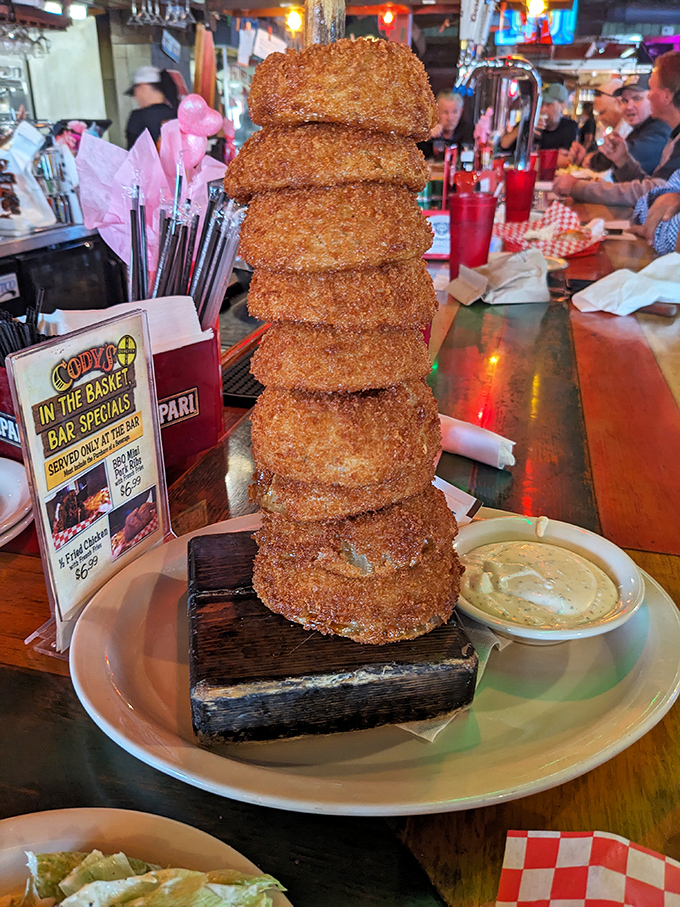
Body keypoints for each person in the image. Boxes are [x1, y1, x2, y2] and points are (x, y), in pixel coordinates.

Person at [553, 51, 680, 206]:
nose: (649, 96)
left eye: (651, 90)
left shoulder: (662, 133)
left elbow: (655, 193)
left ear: (666, 96)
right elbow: (655, 187)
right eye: (625, 100)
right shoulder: (673, 137)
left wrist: (578, 187)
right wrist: (623, 161)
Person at [499, 83, 577, 157]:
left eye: (548, 104)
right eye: (541, 104)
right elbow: (503, 146)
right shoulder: (529, 123)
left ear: (563, 105)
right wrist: (524, 128)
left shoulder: (569, 127)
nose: (542, 109)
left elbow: (565, 159)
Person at [568, 79, 630, 169]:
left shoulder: (628, 131)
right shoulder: (617, 130)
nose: (599, 119)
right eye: (597, 114)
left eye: (602, 112)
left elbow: (614, 166)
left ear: (619, 103)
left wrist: (589, 159)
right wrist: (585, 157)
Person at [125, 65, 179, 150]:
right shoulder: (178, 114)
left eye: (135, 91)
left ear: (143, 86)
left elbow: (132, 156)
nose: (135, 96)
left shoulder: (138, 117)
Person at [417, 91, 474, 159]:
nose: (450, 118)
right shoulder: (425, 130)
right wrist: (427, 136)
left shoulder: (469, 132)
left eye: (455, 112)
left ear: (461, 111)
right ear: (436, 111)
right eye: (445, 112)